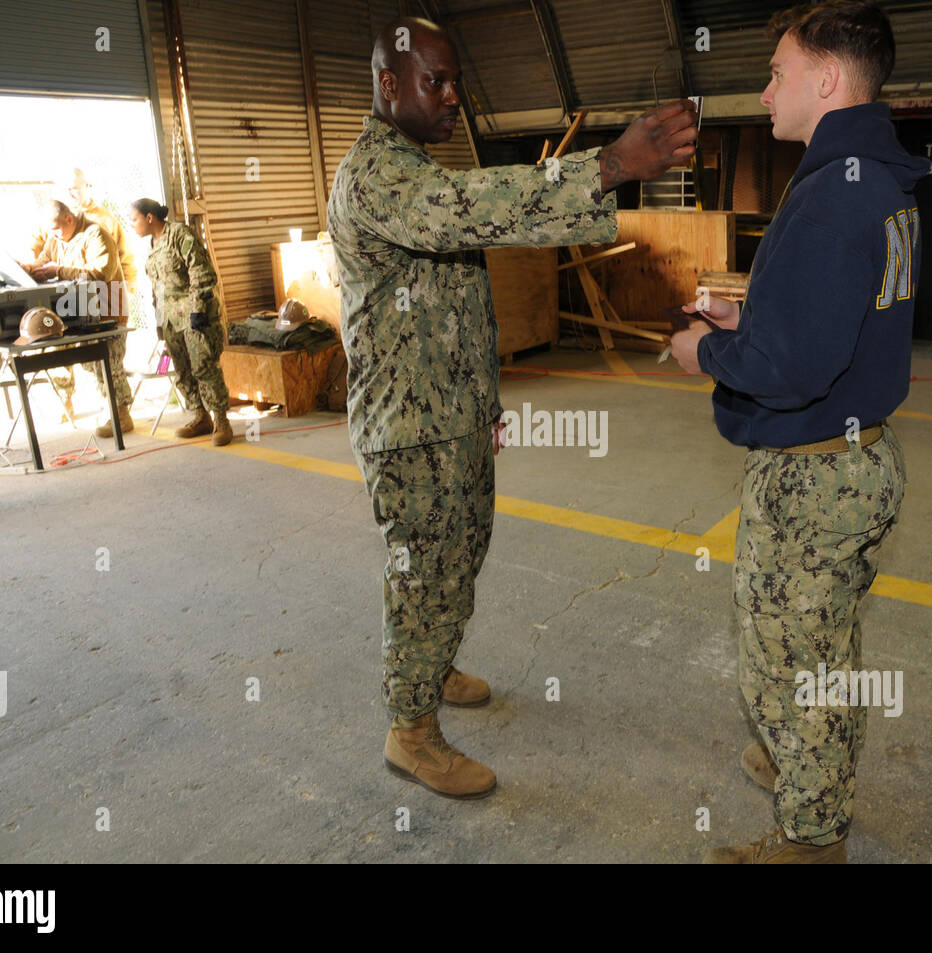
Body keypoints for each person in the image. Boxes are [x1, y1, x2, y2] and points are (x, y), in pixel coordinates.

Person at [328, 16, 696, 800]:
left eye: (457, 80)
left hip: (452, 415)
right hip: (409, 431)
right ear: (388, 85)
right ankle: (411, 729)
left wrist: (484, 401)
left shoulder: (415, 163)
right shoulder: (379, 176)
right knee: (424, 572)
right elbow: (467, 208)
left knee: (462, 552)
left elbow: (459, 297)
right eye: (437, 81)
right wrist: (607, 167)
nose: (455, 97)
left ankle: (434, 661)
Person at [670, 0, 928, 863]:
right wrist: (744, 314)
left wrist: (706, 350)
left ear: (826, 79)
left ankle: (812, 834)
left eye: (778, 71)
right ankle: (809, 758)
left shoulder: (829, 195)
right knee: (830, 642)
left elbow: (793, 367)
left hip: (814, 478)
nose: (766, 87)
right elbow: (831, 320)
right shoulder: (877, 180)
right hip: (862, 456)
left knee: (786, 663)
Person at [22, 200, 134, 437]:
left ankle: (122, 415)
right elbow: (43, 261)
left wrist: (58, 270)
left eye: (55, 229)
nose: (52, 235)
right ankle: (110, 407)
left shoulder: (96, 235)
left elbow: (99, 274)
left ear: (69, 220)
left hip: (108, 311)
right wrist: (28, 268)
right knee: (92, 364)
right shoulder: (56, 239)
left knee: (110, 365)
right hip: (82, 313)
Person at [129, 199, 232, 446]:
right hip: (171, 322)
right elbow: (158, 290)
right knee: (182, 371)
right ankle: (200, 416)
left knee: (204, 368)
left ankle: (221, 421)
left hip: (195, 317)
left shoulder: (179, 235)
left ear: (150, 217)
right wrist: (160, 325)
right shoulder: (152, 247)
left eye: (134, 219)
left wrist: (198, 310)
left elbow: (201, 272)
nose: (132, 225)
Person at [28, 168, 138, 294]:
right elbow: (40, 254)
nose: (70, 194)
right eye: (66, 190)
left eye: (73, 188)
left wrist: (129, 292)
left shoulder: (103, 224)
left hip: (103, 304)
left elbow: (122, 262)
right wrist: (29, 269)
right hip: (76, 303)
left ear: (86, 186)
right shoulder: (55, 222)